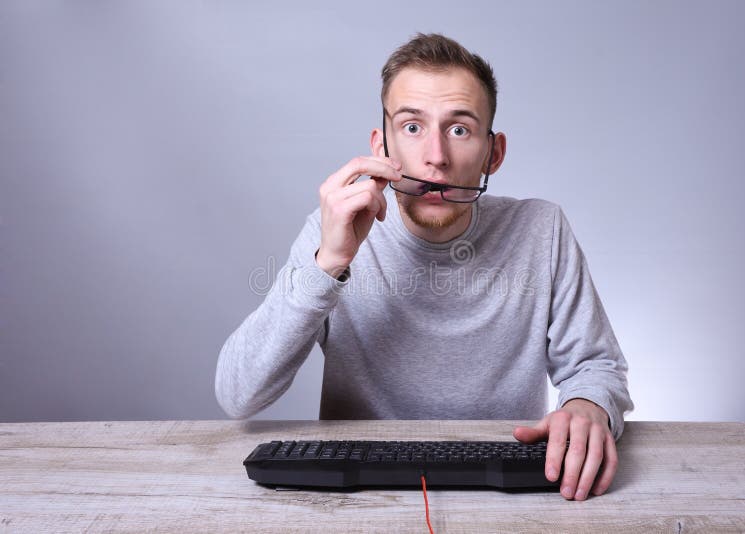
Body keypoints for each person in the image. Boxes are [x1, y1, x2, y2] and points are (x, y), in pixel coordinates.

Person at [215, 33, 633, 501]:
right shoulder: (332, 232)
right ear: (382, 148)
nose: (436, 157)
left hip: (504, 501)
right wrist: (328, 263)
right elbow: (239, 394)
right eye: (412, 127)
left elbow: (596, 366)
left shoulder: (542, 229)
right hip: (355, 502)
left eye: (459, 130)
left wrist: (587, 405)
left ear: (493, 153)